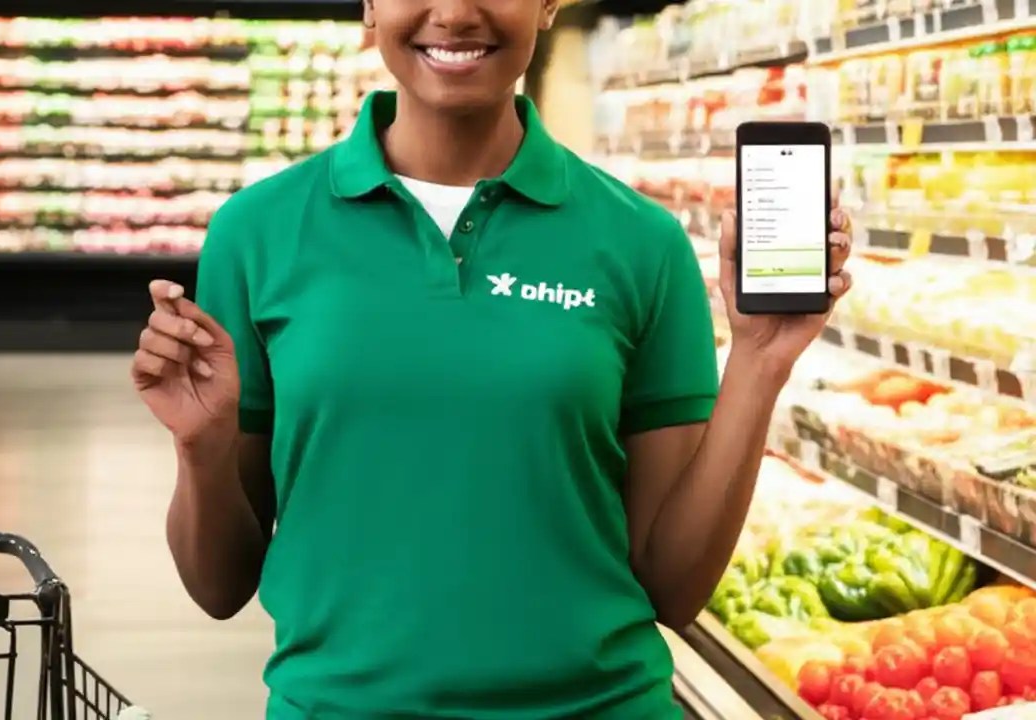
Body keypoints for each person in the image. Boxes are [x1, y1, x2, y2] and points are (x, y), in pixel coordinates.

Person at [130, 0, 854, 714]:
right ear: (369, 7)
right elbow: (217, 587)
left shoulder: (642, 242)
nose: (454, 12)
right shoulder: (257, 232)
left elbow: (674, 588)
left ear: (546, 7)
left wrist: (759, 364)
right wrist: (201, 449)